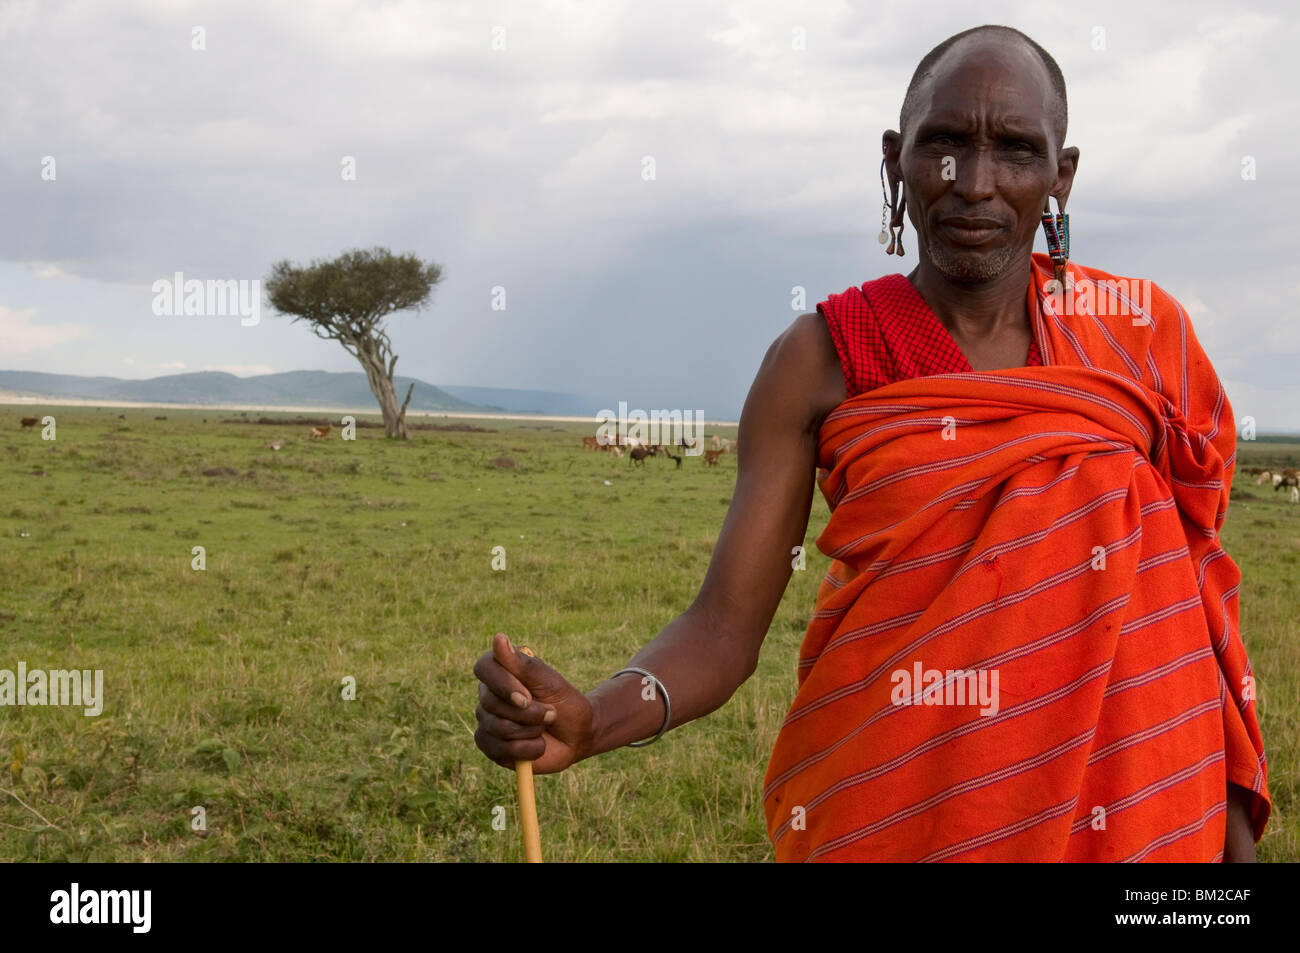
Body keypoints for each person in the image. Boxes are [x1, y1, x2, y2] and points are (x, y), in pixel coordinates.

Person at [473, 24, 1270, 862]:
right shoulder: (820, 358)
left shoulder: (1144, 336)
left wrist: (1231, 835)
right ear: (896, 160)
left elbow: (1195, 615)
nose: (976, 182)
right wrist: (595, 718)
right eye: (946, 144)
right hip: (896, 816)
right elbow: (721, 630)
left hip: (1142, 822)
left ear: (1060, 176)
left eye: (1017, 150)